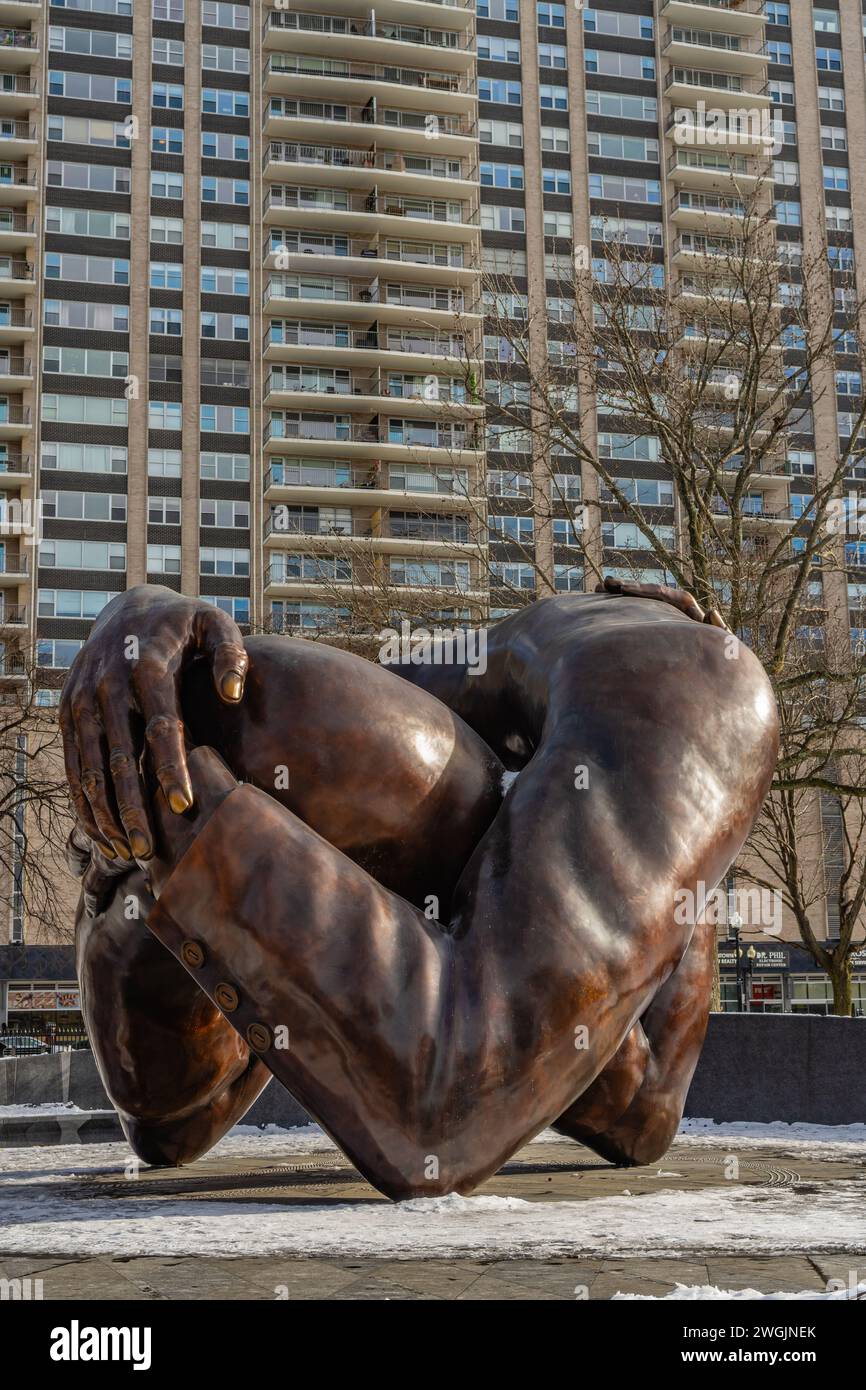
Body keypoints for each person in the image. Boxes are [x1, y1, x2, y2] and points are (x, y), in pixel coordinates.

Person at [61, 580, 778, 1197]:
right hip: (295, 736)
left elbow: (446, 1111)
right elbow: (449, 1105)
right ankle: (159, 825)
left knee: (640, 1104)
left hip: (289, 741)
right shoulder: (667, 678)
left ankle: (156, 828)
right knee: (639, 1104)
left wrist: (135, 618)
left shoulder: (658, 684)